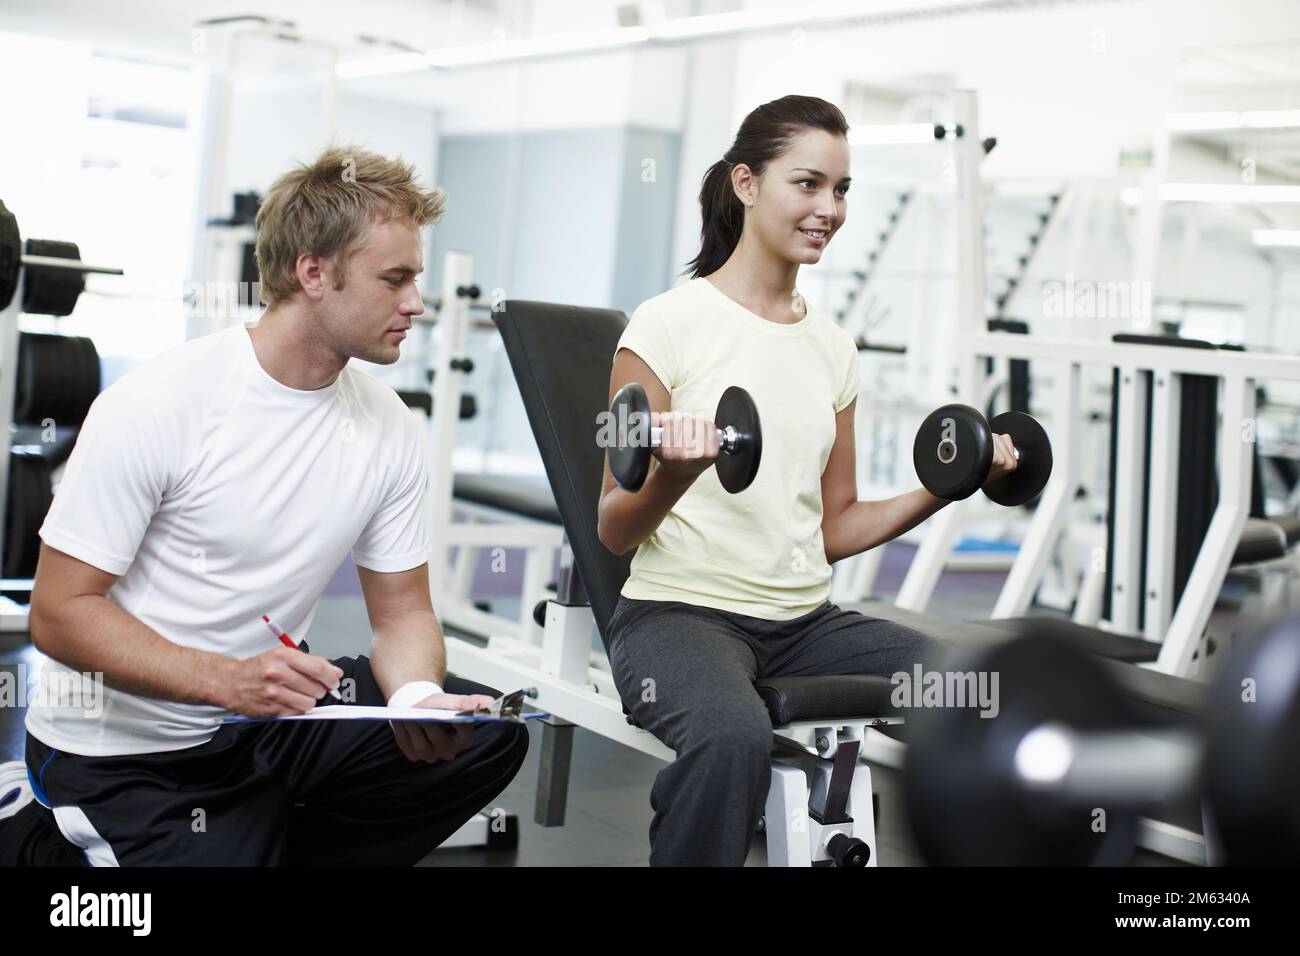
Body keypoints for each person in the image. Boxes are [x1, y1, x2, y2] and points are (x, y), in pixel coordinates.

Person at [0, 145, 527, 866]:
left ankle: (256, 839)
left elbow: (404, 613)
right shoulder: (161, 403)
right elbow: (58, 616)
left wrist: (413, 698)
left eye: (416, 280)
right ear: (313, 272)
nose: (416, 304)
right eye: (394, 279)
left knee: (487, 738)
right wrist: (226, 679)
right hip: (122, 753)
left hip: (267, 723)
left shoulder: (389, 425)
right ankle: (45, 838)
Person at [597, 95, 1018, 866]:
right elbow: (613, 525)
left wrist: (948, 483)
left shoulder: (833, 348)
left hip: (804, 622)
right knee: (730, 735)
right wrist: (676, 476)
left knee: (980, 692)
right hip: (679, 616)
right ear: (746, 184)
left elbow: (836, 526)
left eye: (843, 189)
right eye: (809, 184)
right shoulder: (665, 325)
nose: (830, 208)